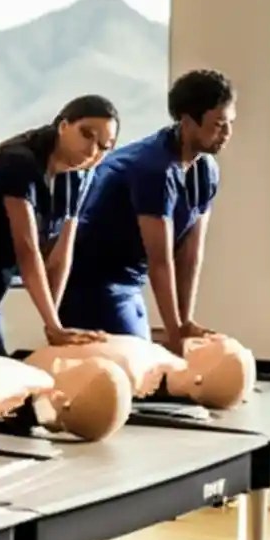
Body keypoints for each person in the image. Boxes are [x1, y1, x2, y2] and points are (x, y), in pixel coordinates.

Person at [59, 70, 235, 353]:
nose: (227, 134)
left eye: (230, 123)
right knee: (136, 370)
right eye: (218, 125)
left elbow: (189, 254)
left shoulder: (206, 169)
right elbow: (160, 261)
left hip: (130, 282)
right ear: (188, 121)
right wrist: (175, 338)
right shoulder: (153, 169)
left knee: (166, 360)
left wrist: (183, 323)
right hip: (89, 284)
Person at [0, 95, 120, 355]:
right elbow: (28, 250)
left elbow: (61, 255)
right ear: (63, 126)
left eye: (104, 146)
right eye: (86, 134)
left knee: (6, 370)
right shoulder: (19, 162)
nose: (92, 151)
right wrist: (53, 325)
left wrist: (52, 324)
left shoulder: (80, 176)